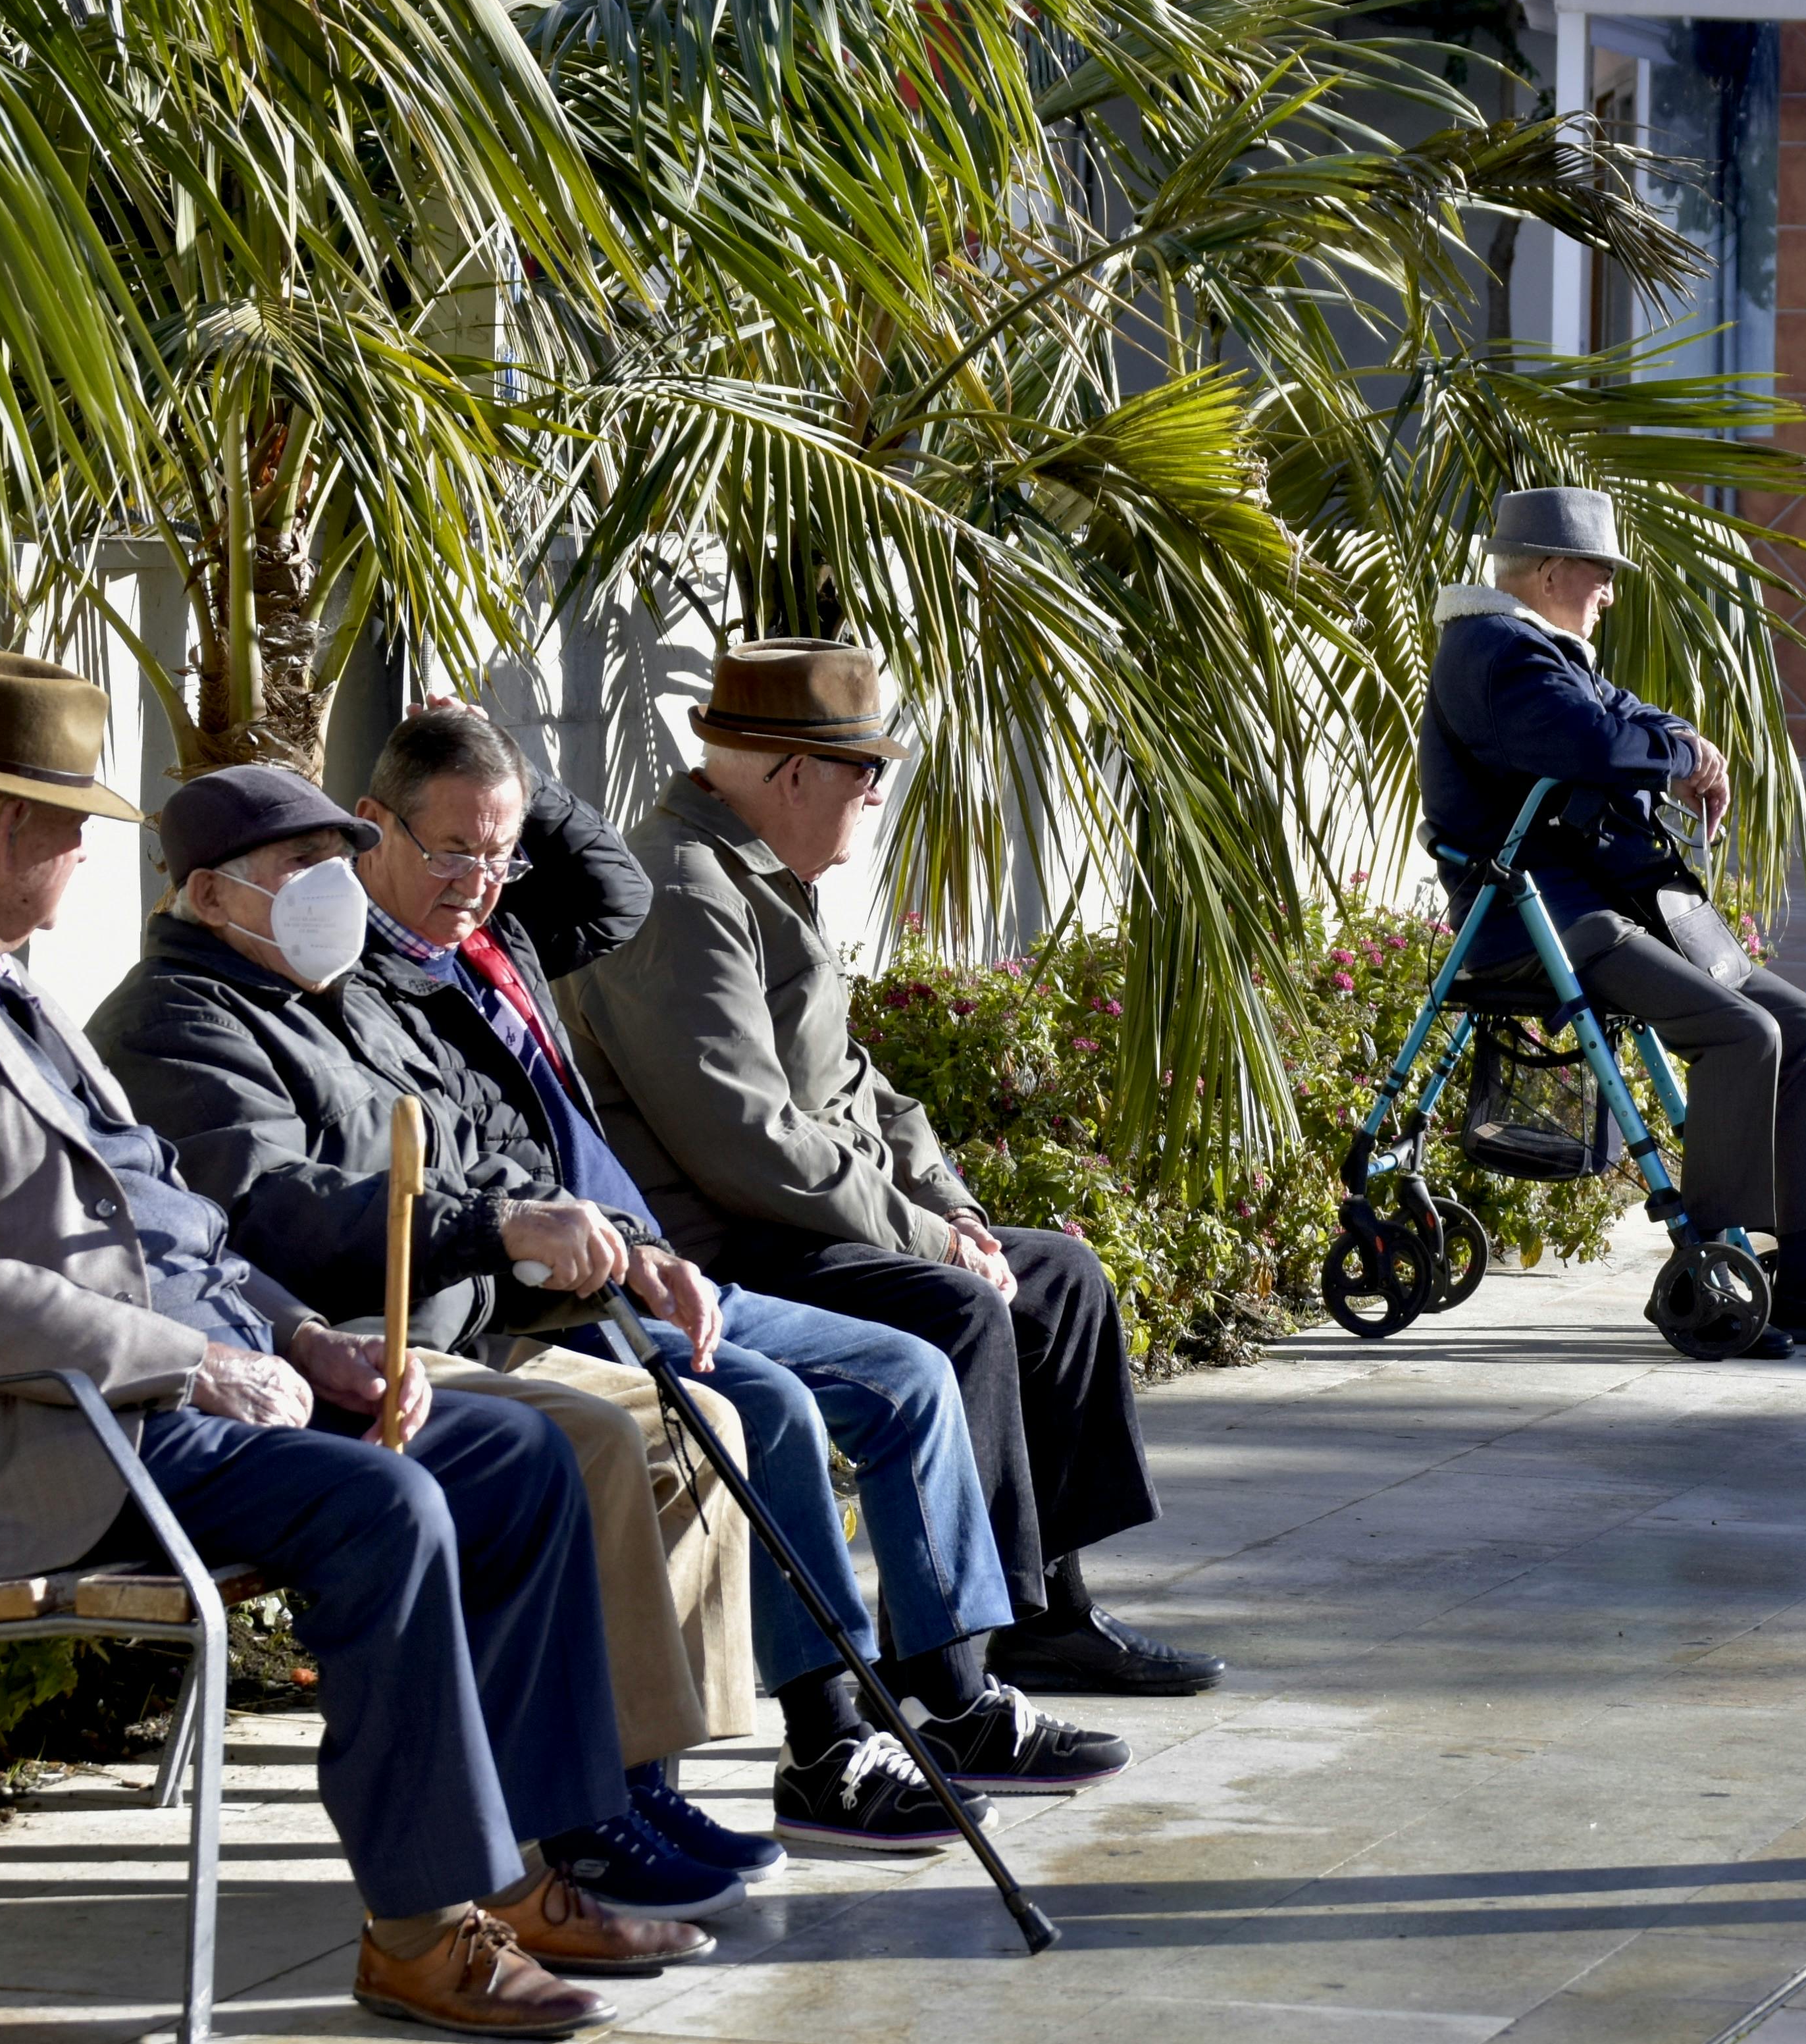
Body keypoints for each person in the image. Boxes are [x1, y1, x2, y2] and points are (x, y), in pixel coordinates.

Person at [0, 648, 700, 2043]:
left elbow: (169, 1222)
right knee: (380, 1502)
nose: (83, 858)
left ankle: (524, 1868)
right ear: (9, 825)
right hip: (27, 1431)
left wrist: (306, 1340)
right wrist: (188, 1360)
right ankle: (422, 1929)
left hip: (130, 1406)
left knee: (510, 1447)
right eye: (73, 826)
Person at [90, 746, 1130, 1864]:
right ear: (211, 889)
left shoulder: (354, 984)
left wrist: (611, 1241)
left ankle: (677, 1775)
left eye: (497, 854)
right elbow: (270, 1205)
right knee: (712, 1422)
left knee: (845, 1385)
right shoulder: (204, 1012)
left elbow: (498, 1099)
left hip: (541, 1282)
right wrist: (508, 1235)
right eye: (307, 864)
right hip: (406, 1336)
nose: (471, 880)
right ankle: (705, 1777)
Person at [561, 641, 1225, 1701]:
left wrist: (952, 1205)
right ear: (793, 775)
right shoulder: (681, 890)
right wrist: (930, 1241)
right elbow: (746, 1138)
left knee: (1058, 1280)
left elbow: (861, 1084)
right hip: (733, 1247)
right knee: (962, 1305)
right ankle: (944, 1654)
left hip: (809, 1219)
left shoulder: (756, 872)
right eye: (867, 778)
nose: (874, 800)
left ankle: (1045, 1611)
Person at [1422, 486, 1806, 1356]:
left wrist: (1682, 739)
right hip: (1536, 920)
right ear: (1548, 572)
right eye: (1598, 574)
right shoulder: (1494, 653)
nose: (1610, 592)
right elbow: (1587, 741)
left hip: (1603, 910)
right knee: (1741, 1037)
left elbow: (1622, 717)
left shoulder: (1539, 647)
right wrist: (1678, 751)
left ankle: (1804, 1281)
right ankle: (1723, 1270)